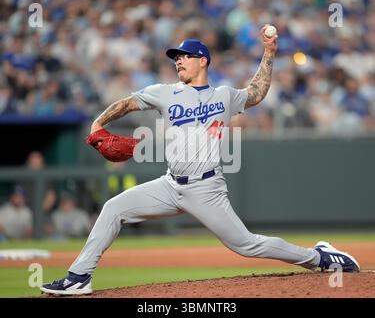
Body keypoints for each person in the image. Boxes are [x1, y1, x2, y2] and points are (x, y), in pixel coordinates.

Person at [41, 25, 360, 296]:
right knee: (114, 208)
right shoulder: (164, 92)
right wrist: (98, 124)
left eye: (184, 56)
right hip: (169, 185)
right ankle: (79, 277)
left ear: (202, 60)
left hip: (206, 188)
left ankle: (319, 258)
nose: (178, 60)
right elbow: (126, 104)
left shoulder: (223, 96)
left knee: (246, 245)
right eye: (175, 57)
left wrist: (269, 52)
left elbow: (257, 92)